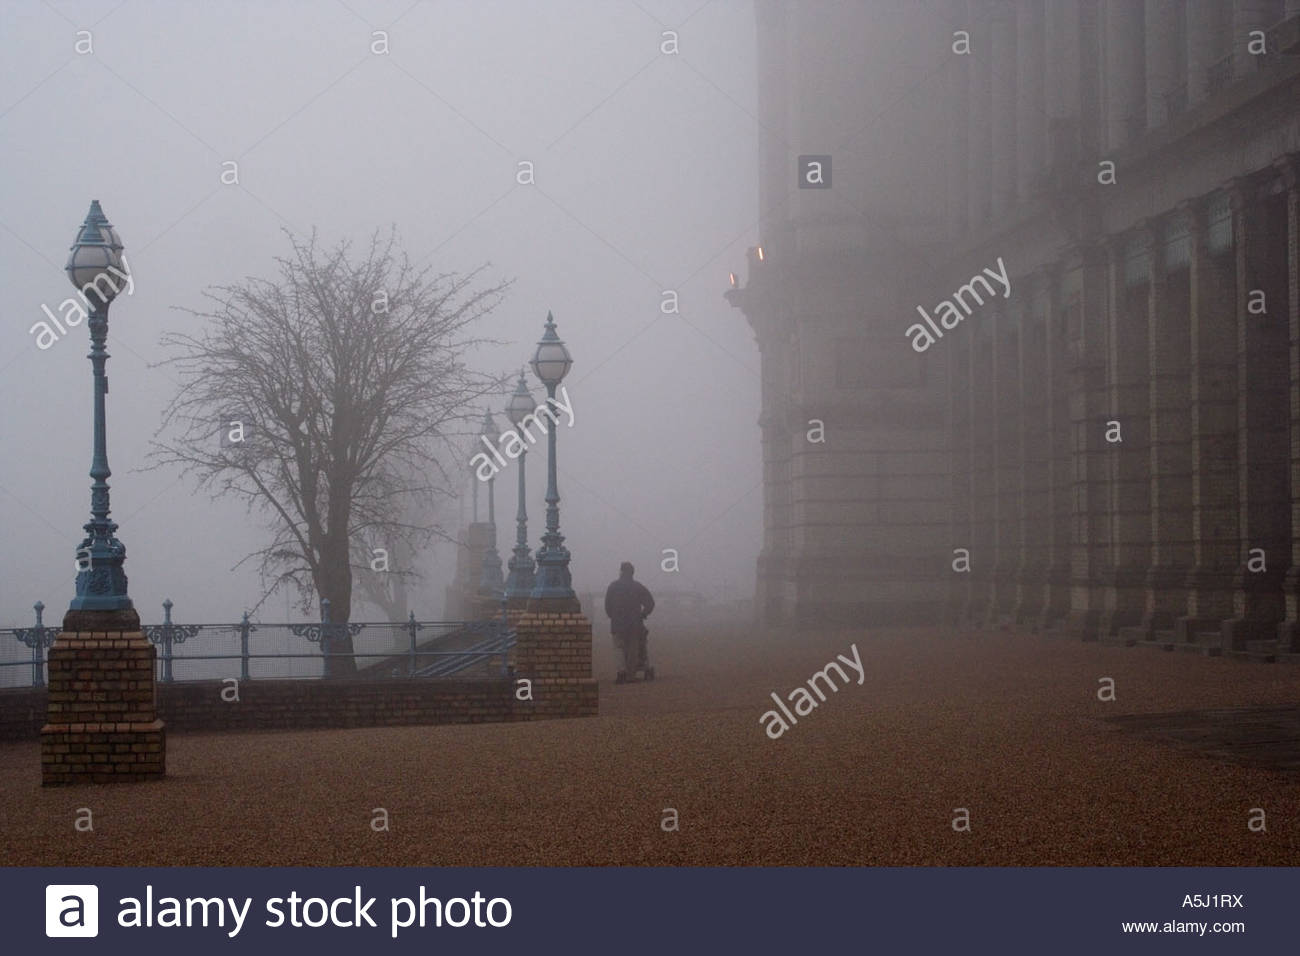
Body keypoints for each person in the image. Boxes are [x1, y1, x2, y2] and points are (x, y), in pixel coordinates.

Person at [604, 561, 655, 683]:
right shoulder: (638, 587)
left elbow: (607, 606)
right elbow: (650, 603)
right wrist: (643, 614)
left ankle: (621, 672)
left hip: (618, 623)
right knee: (634, 648)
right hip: (635, 623)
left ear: (621, 571)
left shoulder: (613, 586)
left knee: (619, 648)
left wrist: (613, 616)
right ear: (632, 572)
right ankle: (631, 674)